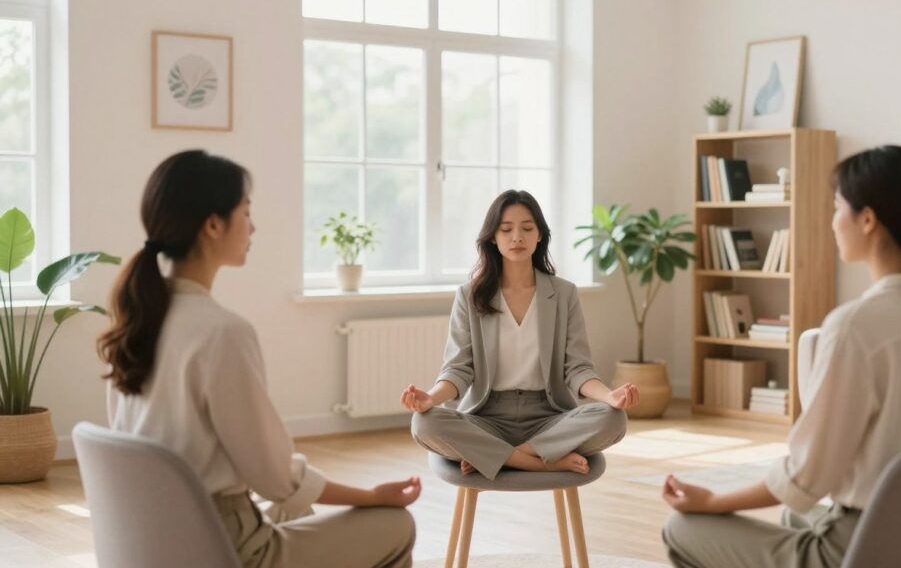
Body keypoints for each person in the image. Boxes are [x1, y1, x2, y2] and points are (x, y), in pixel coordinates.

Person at [661, 145, 901, 568]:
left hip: (867, 549)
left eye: (837, 208)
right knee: (796, 516)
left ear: (867, 219)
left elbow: (806, 475)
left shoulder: (856, 326)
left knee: (682, 529)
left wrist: (713, 501)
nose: (832, 222)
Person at [98, 150, 419, 568]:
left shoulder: (135, 321)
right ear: (213, 225)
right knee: (395, 525)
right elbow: (275, 476)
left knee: (295, 510)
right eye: (246, 212)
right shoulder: (222, 332)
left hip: (152, 541)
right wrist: (371, 496)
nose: (253, 226)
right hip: (223, 546)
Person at [401, 190, 638, 480]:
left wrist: (609, 396)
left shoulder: (564, 294)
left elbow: (578, 368)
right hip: (486, 417)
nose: (517, 237)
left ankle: (496, 456)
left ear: (540, 235)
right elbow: (458, 369)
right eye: (506, 229)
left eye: (527, 228)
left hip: (549, 416)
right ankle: (540, 461)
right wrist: (431, 398)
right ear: (492, 237)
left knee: (613, 419)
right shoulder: (470, 296)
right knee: (424, 424)